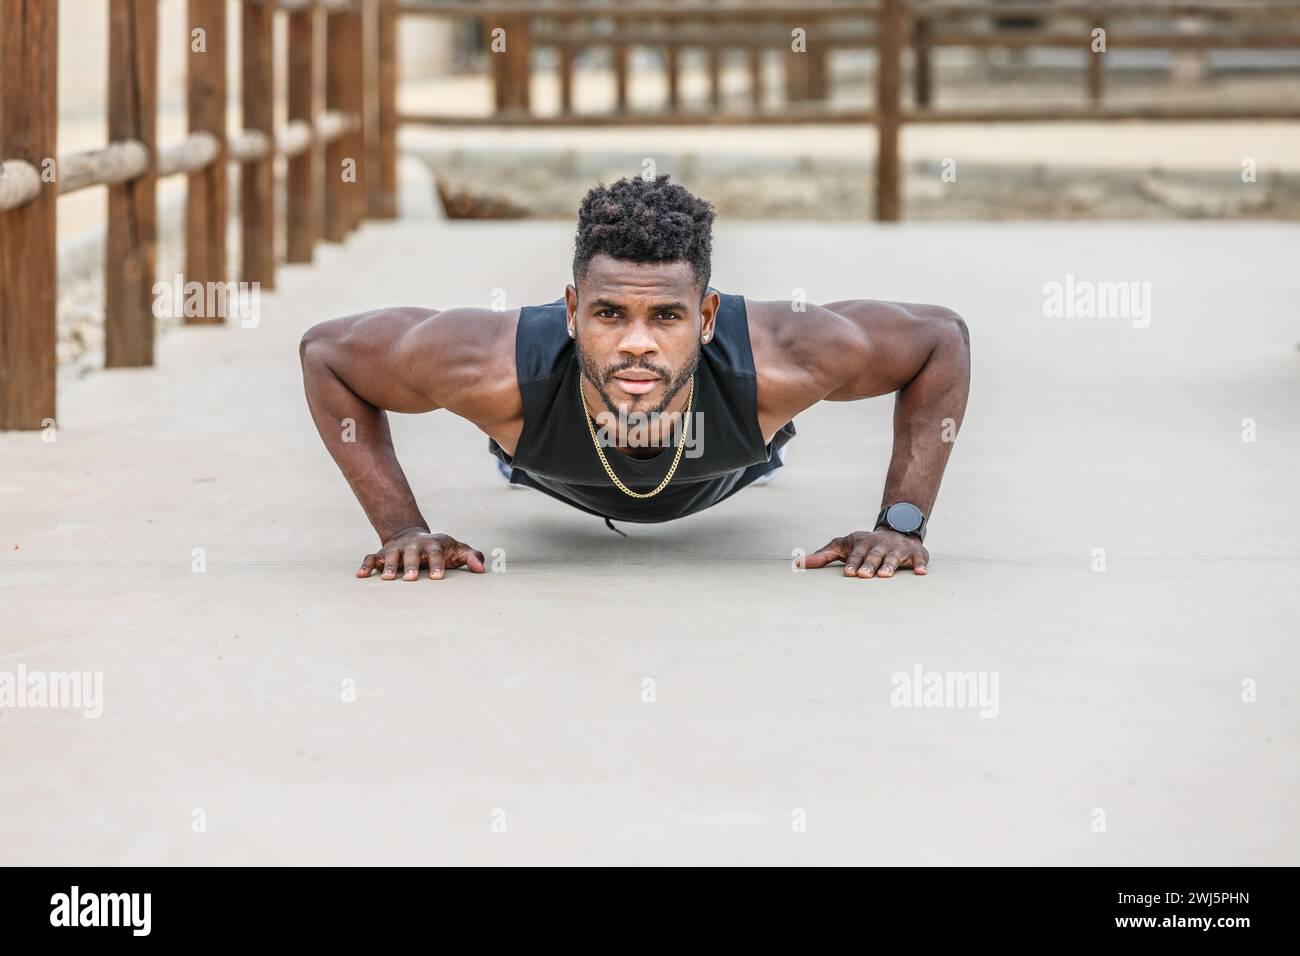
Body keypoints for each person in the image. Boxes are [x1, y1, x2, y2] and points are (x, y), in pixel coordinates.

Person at [299, 175, 970, 582]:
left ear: (707, 316)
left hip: (731, 463)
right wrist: (401, 531)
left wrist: (901, 526)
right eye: (609, 313)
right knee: (516, 443)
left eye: (668, 315)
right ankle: (519, 460)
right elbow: (328, 353)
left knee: (746, 439)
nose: (637, 343)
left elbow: (940, 339)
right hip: (548, 469)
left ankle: (755, 457)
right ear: (570, 312)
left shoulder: (784, 358)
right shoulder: (490, 367)